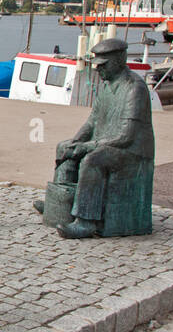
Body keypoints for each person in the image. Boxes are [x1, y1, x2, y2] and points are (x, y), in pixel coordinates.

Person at [37, 37, 155, 239]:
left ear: (119, 61)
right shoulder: (107, 86)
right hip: (109, 144)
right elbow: (92, 122)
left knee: (93, 160)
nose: (98, 70)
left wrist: (88, 147)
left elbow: (126, 136)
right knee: (64, 147)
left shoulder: (135, 88)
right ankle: (60, 206)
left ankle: (86, 221)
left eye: (103, 65)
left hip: (132, 152)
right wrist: (76, 142)